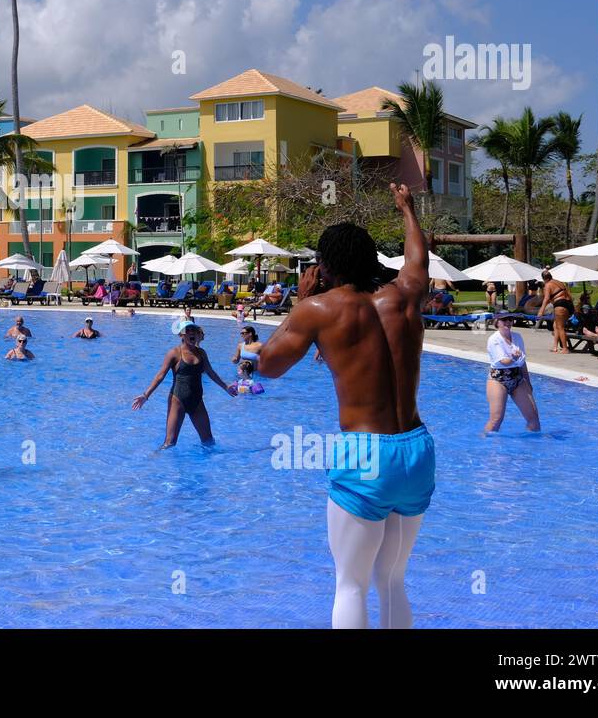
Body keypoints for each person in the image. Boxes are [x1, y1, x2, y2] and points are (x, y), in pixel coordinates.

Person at [253, 183, 435, 630]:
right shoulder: (407, 294)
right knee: (392, 580)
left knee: (350, 585)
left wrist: (298, 303)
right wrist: (407, 209)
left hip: (366, 453)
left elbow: (267, 367)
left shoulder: (319, 309)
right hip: (417, 449)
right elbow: (418, 259)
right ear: (373, 261)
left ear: (325, 266)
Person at [132, 323, 231, 447]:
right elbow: (160, 375)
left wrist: (226, 387)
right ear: (181, 335)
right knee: (169, 443)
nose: (191, 332)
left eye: (194, 330)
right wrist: (145, 395)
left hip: (197, 401)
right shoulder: (174, 353)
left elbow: (210, 372)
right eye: (187, 330)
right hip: (178, 400)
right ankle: (152, 463)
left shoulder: (201, 353)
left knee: (209, 441)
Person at [484, 314, 541, 435]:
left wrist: (528, 382)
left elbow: (522, 362)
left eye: (510, 319)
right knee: (496, 420)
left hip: (517, 377)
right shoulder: (494, 339)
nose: (508, 322)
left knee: (534, 420)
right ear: (497, 322)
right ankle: (484, 445)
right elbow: (504, 362)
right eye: (504, 320)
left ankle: (532, 448)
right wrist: (513, 357)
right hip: (498, 379)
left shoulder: (517, 337)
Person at [534, 270, 575, 353]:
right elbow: (569, 295)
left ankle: (565, 348)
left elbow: (546, 299)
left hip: (560, 305)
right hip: (568, 304)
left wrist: (541, 311)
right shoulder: (559, 282)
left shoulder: (548, 285)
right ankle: (555, 347)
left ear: (543, 279)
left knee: (560, 327)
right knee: (555, 325)